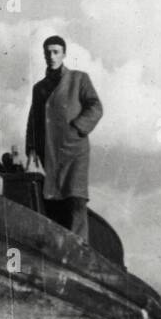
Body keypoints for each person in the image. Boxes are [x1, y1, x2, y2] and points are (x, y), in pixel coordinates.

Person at [25, 35, 102, 241]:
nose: (51, 56)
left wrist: (77, 127)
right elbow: (33, 120)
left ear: (64, 54)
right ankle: (58, 252)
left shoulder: (79, 79)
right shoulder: (39, 88)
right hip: (49, 152)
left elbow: (95, 106)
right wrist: (31, 149)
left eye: (56, 52)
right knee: (52, 201)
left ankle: (79, 250)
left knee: (76, 200)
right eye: (48, 52)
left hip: (75, 150)